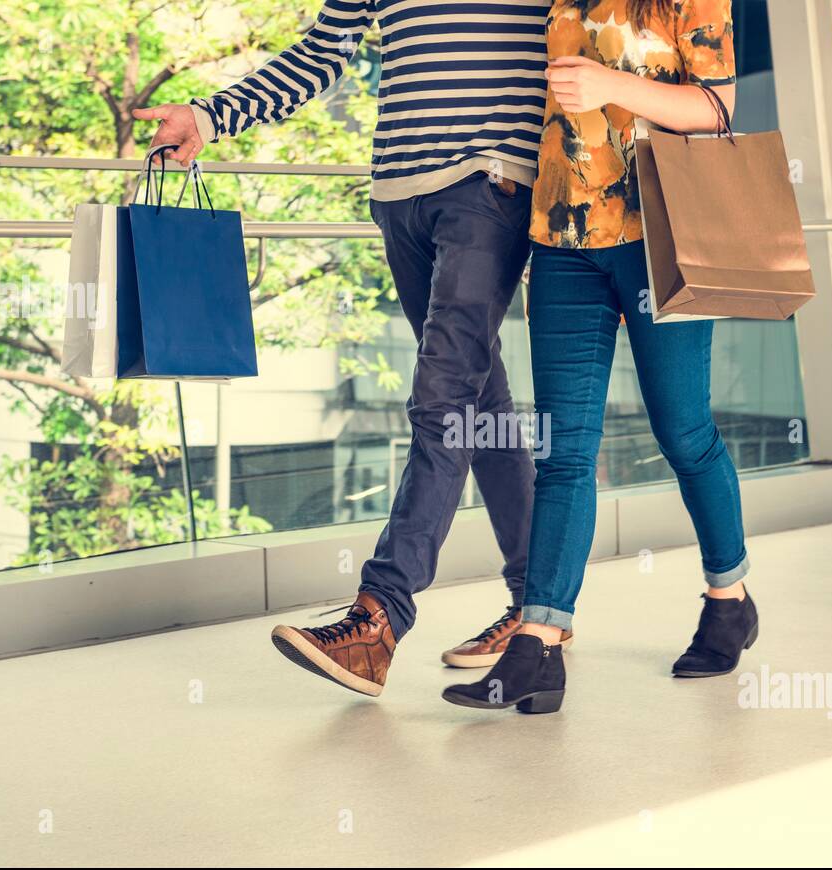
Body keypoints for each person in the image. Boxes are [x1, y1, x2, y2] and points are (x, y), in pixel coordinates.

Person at [136, 0, 570, 698]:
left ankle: (380, 617)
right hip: (400, 196)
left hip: (492, 184)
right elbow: (322, 52)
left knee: (443, 400)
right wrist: (209, 115)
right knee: (477, 398)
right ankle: (536, 604)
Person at [443, 0, 756, 715]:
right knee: (564, 453)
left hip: (664, 233)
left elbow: (717, 107)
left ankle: (729, 598)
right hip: (564, 239)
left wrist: (612, 86)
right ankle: (538, 645)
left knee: (683, 431)